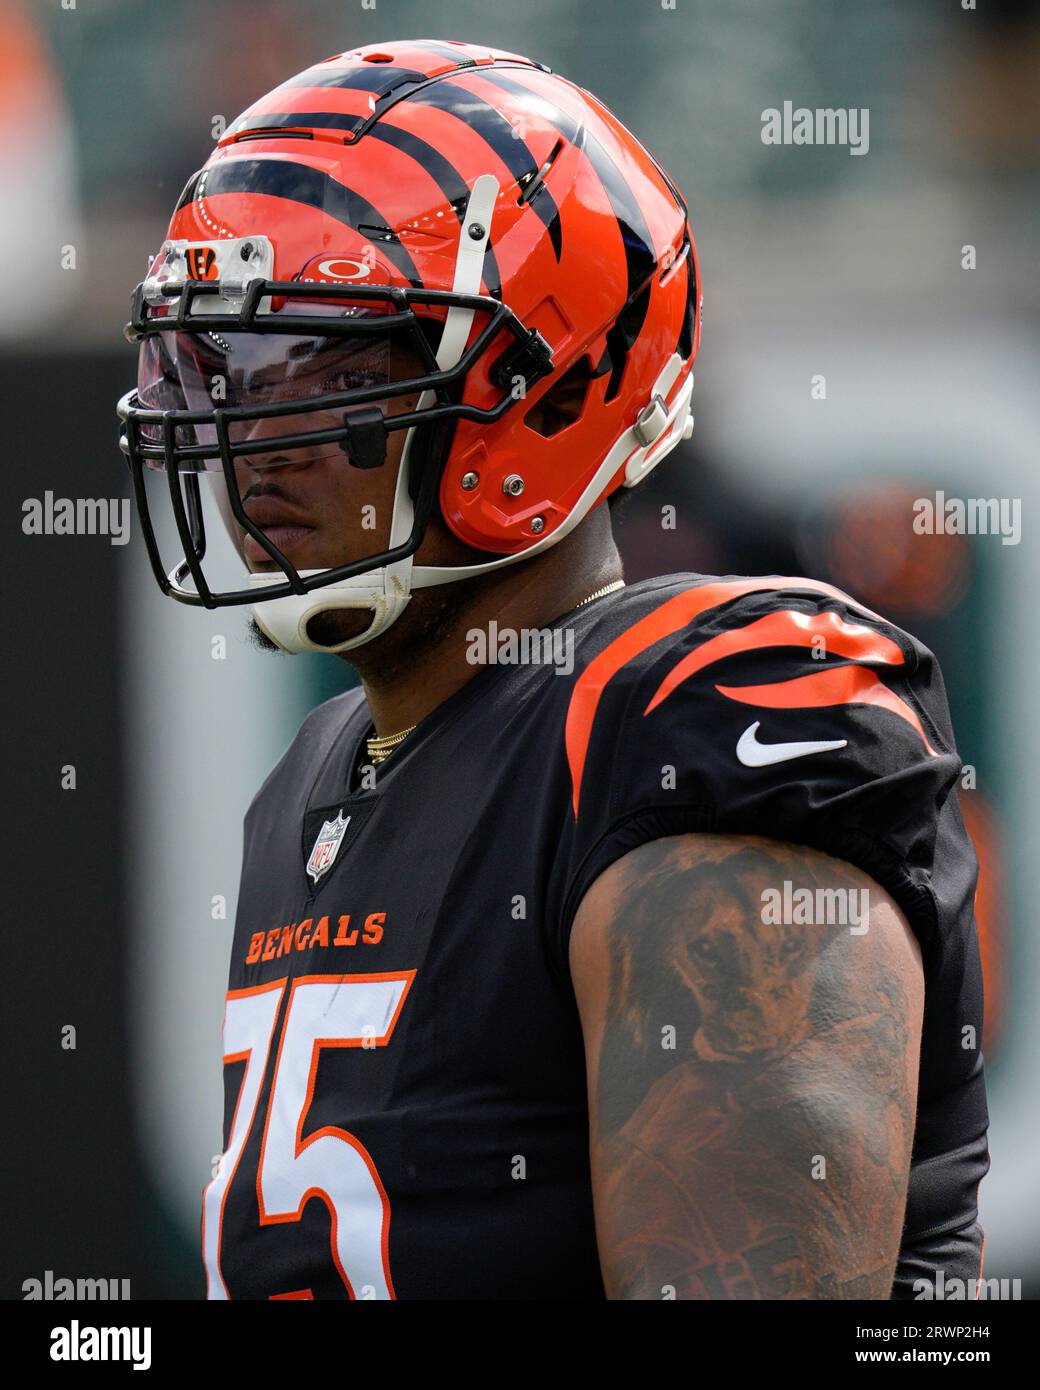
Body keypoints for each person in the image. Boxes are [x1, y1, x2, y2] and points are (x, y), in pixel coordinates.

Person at [117, 38, 988, 1300]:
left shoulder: (699, 712)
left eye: (327, 365)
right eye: (220, 367)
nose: (252, 433)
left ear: (541, 386)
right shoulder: (311, 782)